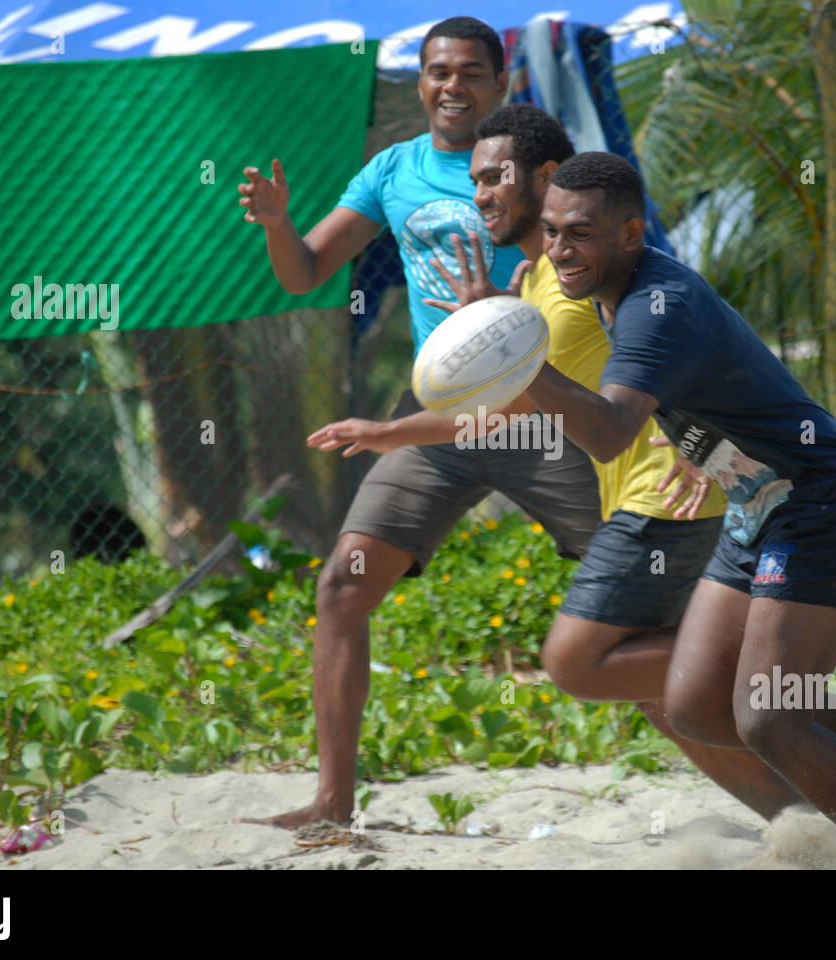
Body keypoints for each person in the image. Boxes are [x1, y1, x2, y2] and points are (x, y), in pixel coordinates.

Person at [315, 103, 807, 821]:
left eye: (494, 178)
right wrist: (403, 427)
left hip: (666, 494)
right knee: (637, 675)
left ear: (545, 177)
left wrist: (700, 441)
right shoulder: (545, 279)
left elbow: (691, 343)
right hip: (639, 493)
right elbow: (535, 400)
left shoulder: (592, 274)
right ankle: (801, 818)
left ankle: (811, 709)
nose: (479, 193)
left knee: (592, 663)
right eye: (473, 180)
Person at [522, 151, 836, 869]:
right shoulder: (612, 292)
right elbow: (717, 386)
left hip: (827, 499)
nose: (558, 250)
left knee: (768, 716)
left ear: (631, 233)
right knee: (698, 706)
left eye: (578, 233)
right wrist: (698, 449)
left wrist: (516, 361)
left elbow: (607, 434)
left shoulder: (654, 307)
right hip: (757, 503)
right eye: (549, 231)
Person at [235, 17, 601, 830]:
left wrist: (505, 314)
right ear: (420, 84)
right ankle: (331, 803)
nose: (452, 86)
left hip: (542, 413)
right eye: (437, 72)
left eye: (471, 73)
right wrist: (275, 227)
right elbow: (306, 273)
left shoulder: (546, 174)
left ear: (500, 86)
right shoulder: (391, 171)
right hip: (437, 417)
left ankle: (772, 733)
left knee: (652, 597)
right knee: (341, 586)